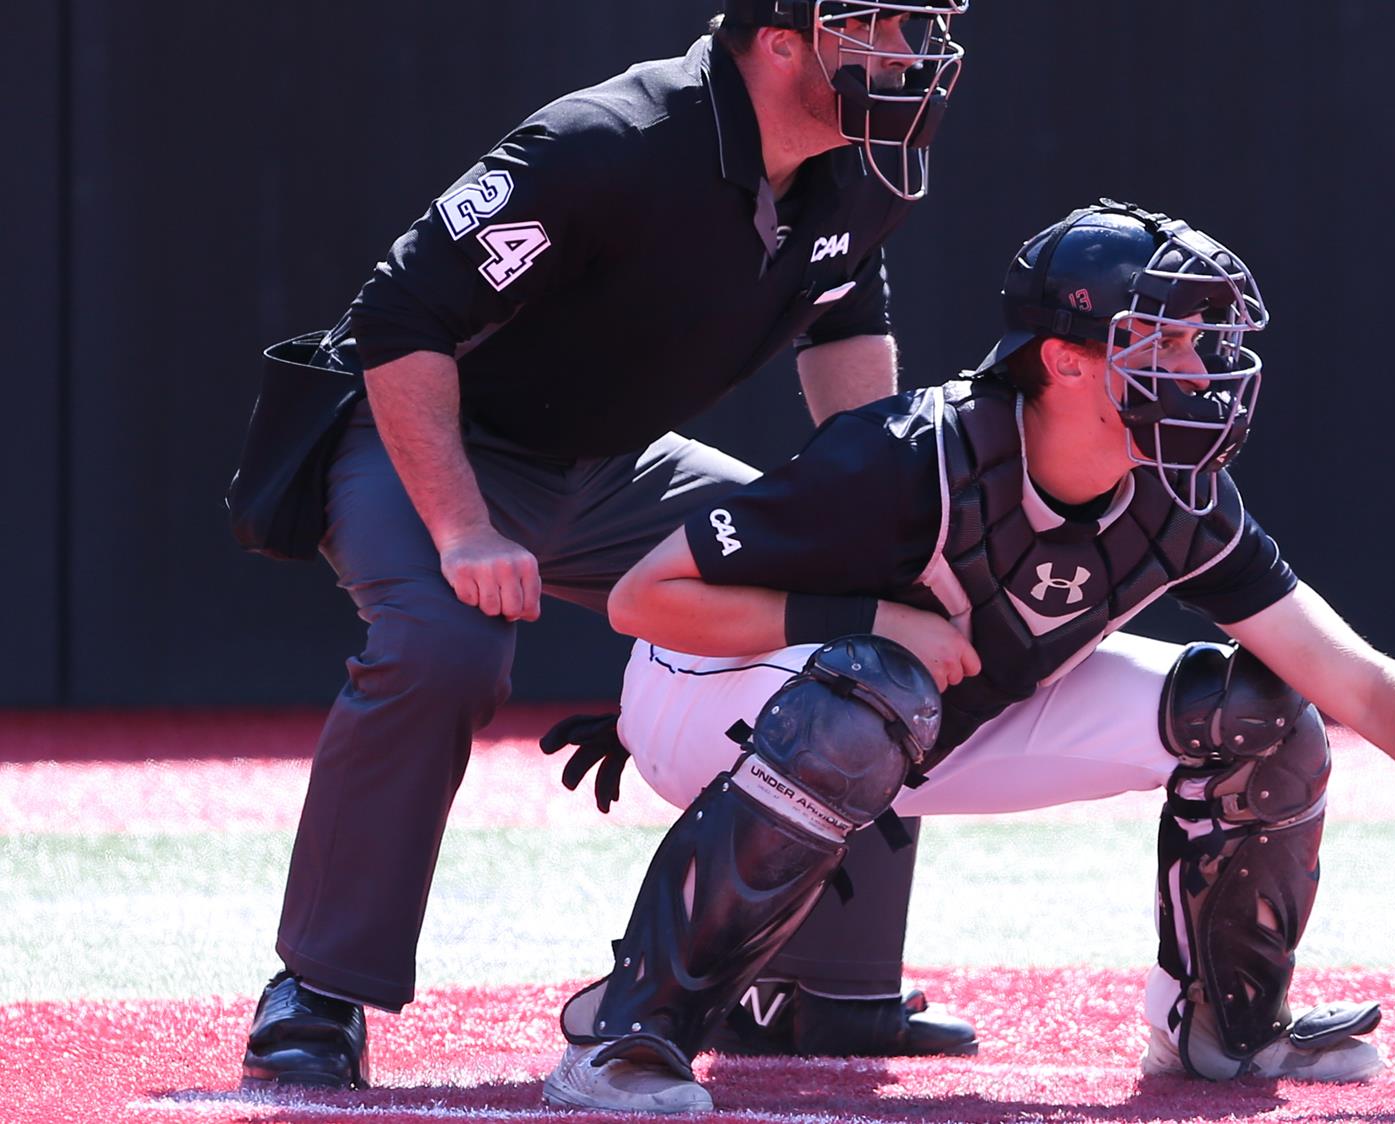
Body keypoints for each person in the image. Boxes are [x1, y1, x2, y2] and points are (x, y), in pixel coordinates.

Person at [533, 200, 1395, 1114]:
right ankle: (632, 1032)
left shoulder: (1179, 491)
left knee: (1265, 711)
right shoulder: (905, 458)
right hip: (715, 695)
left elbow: (1336, 663)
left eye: (1203, 337)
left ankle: (1224, 1024)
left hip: (938, 710)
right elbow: (647, 599)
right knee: (876, 687)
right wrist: (868, 622)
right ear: (1065, 361)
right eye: (1159, 337)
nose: (1200, 364)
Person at [238, 0, 979, 1091]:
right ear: (780, 41)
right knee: (445, 646)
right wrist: (462, 526)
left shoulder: (856, 163)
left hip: (608, 462)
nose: (916, 56)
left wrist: (878, 524)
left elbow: (840, 322)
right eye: (882, 26)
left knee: (887, 587)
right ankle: (317, 988)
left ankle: (818, 982)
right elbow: (398, 318)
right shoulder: (608, 143)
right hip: (432, 440)